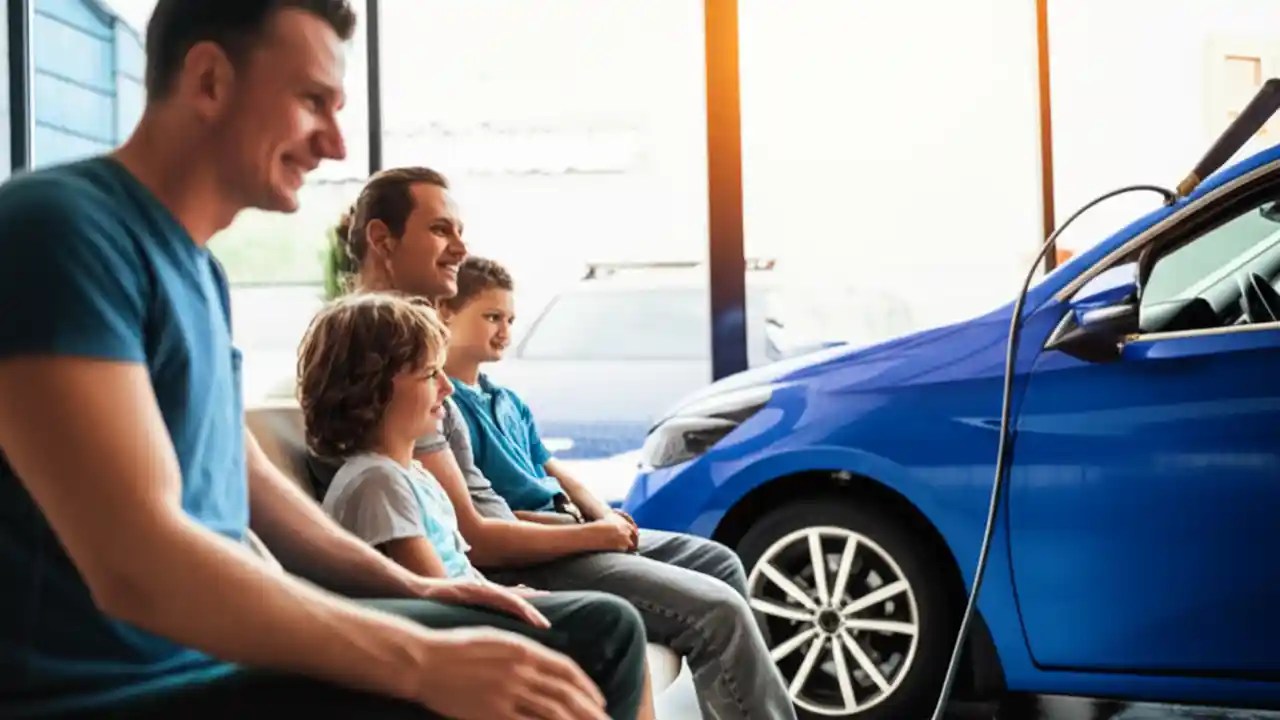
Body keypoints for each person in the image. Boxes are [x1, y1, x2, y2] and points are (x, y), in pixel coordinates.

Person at [0, 3, 646, 719]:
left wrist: (414, 589)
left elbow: (246, 483)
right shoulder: (59, 233)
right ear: (210, 79)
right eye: (312, 102)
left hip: (212, 658)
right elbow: (136, 567)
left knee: (595, 631)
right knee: (584, 646)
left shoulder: (197, 272)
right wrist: (420, 659)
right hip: (111, 688)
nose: (335, 146)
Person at [322, 166, 800, 720]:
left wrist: (581, 521)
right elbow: (468, 537)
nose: (461, 248)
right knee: (714, 611)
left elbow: (480, 503)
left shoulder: (419, 366)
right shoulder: (384, 368)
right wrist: (582, 534)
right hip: (503, 561)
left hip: (514, 539)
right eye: (440, 229)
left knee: (718, 563)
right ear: (382, 240)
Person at [296, 291, 657, 720]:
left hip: (463, 612)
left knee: (615, 631)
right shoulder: (377, 483)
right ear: (372, 389)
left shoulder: (413, 475)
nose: (447, 388)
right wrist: (500, 599)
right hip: (442, 632)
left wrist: (504, 593)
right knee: (614, 624)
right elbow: (435, 597)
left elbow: (458, 572)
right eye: (430, 374)